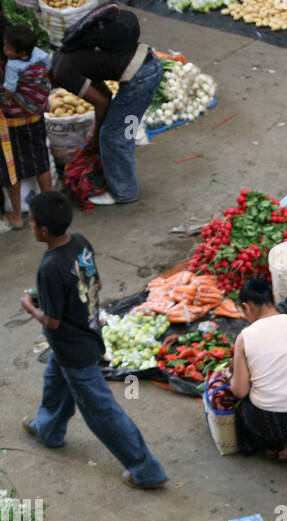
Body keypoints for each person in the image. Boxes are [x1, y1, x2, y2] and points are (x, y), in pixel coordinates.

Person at [19, 192, 167, 488]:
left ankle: (146, 470)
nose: (30, 226)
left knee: (102, 413)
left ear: (43, 231)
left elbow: (53, 320)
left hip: (74, 350)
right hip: (82, 336)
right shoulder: (80, 242)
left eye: (32, 222)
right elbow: (96, 283)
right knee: (55, 384)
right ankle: (47, 430)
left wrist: (29, 306)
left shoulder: (49, 269)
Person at [50, 3, 162, 205]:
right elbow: (105, 95)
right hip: (149, 67)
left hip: (141, 81)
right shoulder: (64, 58)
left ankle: (125, 192)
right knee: (122, 133)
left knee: (112, 137)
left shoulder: (63, 73)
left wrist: (95, 131)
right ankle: (123, 176)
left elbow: (101, 102)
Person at [229, 276, 287, 462]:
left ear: (248, 307)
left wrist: (230, 377)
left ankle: (271, 446)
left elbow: (239, 391)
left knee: (242, 398)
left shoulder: (246, 336)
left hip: (269, 423)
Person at [0, 23, 52, 233]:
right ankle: (49, 208)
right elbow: (47, 71)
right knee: (41, 162)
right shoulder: (39, 56)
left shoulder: (9, 66)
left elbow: (9, 91)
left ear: (19, 52)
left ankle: (16, 216)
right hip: (35, 118)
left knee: (11, 170)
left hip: (11, 123)